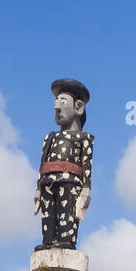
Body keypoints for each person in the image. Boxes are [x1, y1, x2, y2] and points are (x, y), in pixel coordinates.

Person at [34, 78, 93, 251]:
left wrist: (86, 188)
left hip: (71, 182)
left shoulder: (84, 138)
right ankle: (48, 241)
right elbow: (42, 162)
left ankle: (66, 240)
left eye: (63, 101)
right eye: (56, 101)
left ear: (78, 107)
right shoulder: (50, 137)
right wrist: (38, 188)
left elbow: (86, 164)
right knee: (48, 216)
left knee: (66, 215)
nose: (56, 107)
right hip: (47, 182)